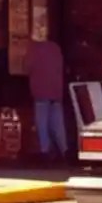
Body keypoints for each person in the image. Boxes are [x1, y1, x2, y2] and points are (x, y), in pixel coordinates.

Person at [25, 36, 68, 164]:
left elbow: (27, 67)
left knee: (42, 123)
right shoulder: (55, 48)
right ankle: (64, 150)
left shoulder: (33, 49)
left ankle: (45, 151)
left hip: (40, 91)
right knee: (57, 123)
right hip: (56, 92)